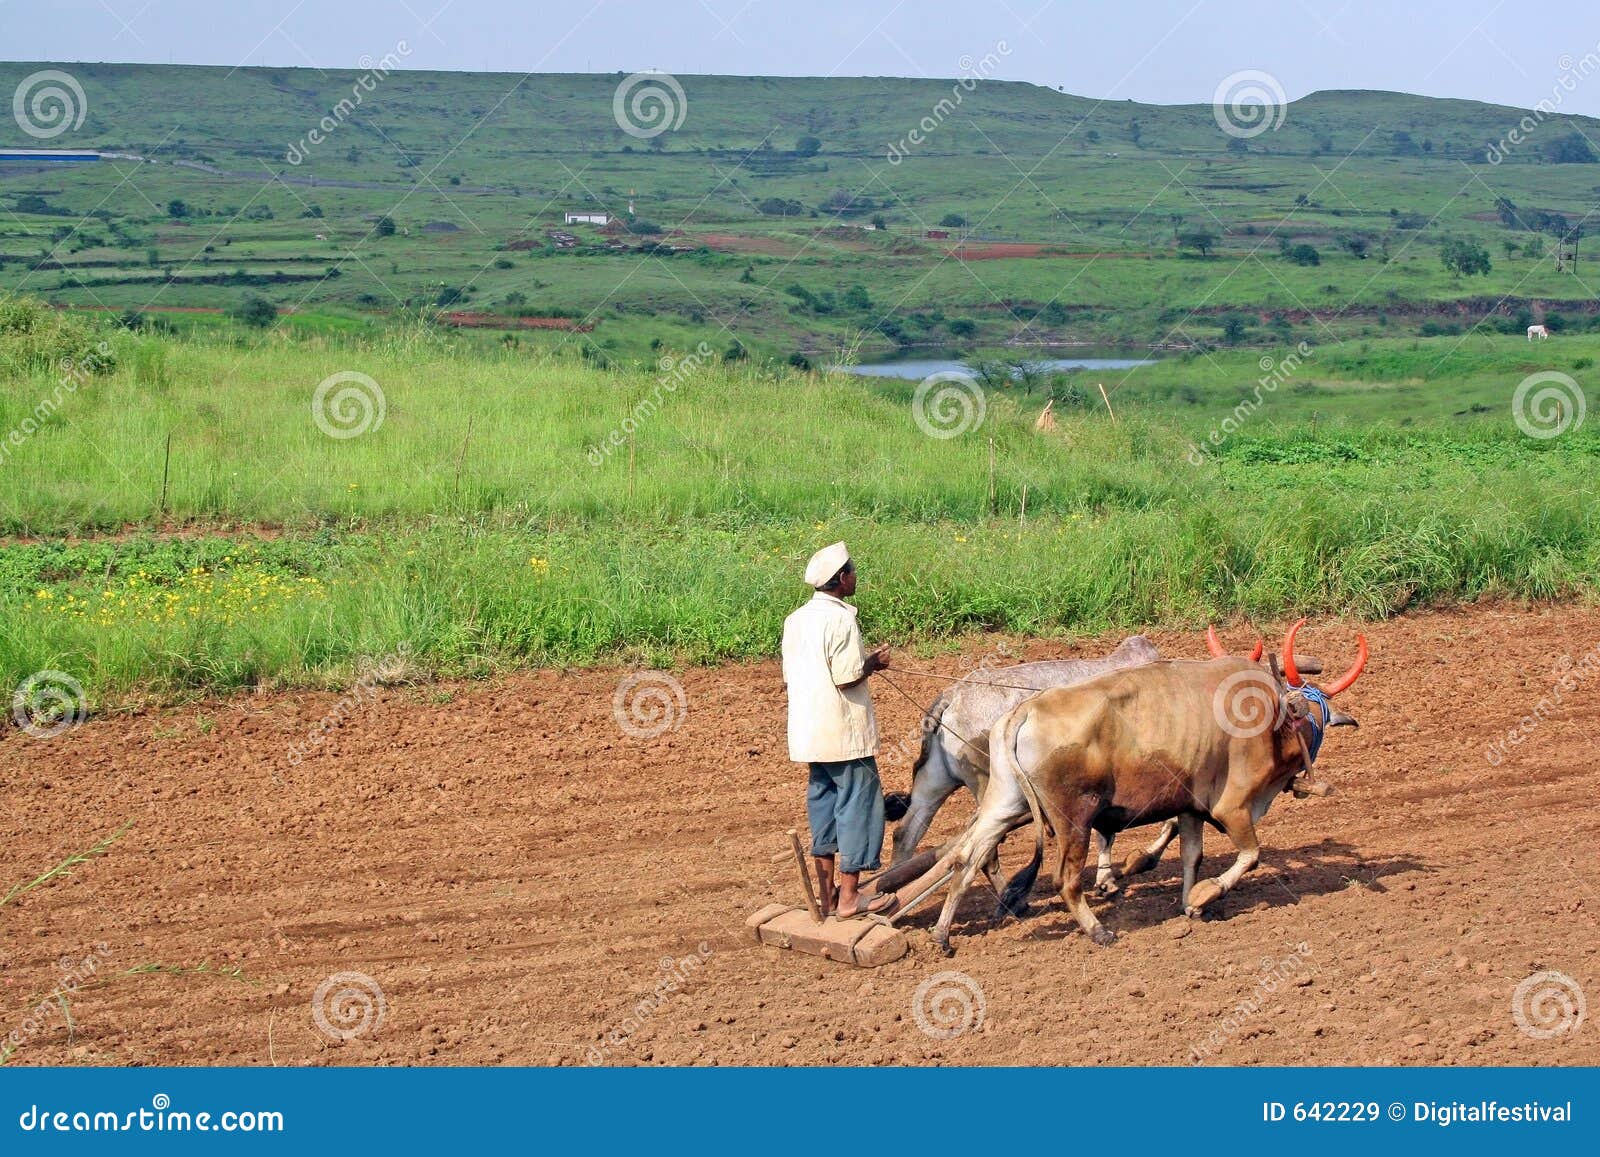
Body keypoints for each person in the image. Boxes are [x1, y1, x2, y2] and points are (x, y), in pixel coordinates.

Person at [781, 542, 895, 920]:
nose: (856, 577)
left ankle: (826, 898)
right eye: (853, 572)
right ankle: (849, 900)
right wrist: (873, 663)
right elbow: (847, 678)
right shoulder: (842, 619)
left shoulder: (795, 619)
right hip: (845, 735)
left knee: (824, 807)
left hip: (810, 733)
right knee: (859, 809)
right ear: (841, 579)